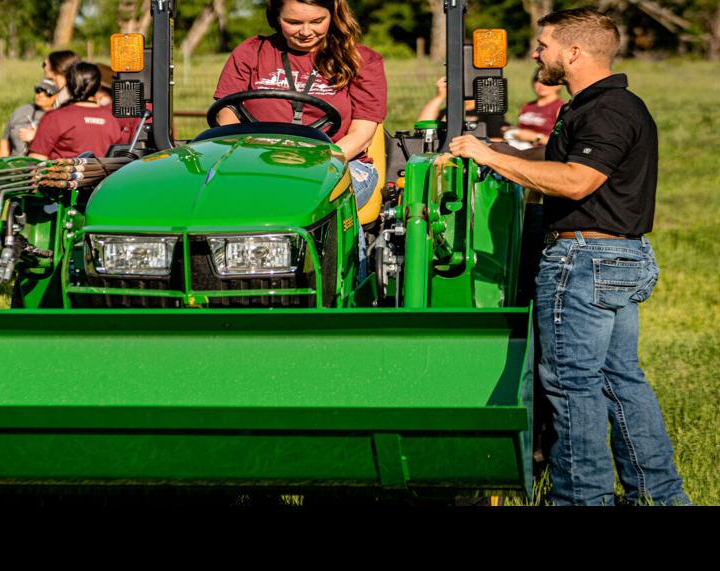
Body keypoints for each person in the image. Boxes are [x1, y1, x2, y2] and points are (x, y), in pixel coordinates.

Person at [445, 8, 689, 505]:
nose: (536, 53)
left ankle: (581, 498)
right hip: (615, 258)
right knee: (620, 381)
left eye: (543, 44)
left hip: (584, 261)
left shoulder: (608, 110)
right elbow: (558, 164)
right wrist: (495, 149)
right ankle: (658, 496)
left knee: (570, 385)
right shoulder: (595, 106)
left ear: (573, 52)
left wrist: (489, 158)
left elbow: (578, 180)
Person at [212, 0, 387, 205]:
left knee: (314, 203)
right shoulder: (252, 52)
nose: (305, 32)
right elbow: (227, 113)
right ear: (276, 17)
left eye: (317, 21)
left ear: (333, 15)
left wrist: (316, 163)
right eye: (293, 22)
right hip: (260, 162)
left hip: (339, 162)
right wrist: (247, 159)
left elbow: (362, 134)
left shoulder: (361, 60)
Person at [28, 62, 126, 160]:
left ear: (69, 84)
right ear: (97, 86)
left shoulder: (55, 118)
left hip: (64, 175)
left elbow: (36, 160)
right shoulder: (112, 119)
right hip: (105, 175)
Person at [503, 69, 563, 149]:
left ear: (559, 85)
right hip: (519, 147)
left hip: (542, 153)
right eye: (537, 80)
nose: (541, 85)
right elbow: (521, 129)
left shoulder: (560, 107)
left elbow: (563, 143)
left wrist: (536, 137)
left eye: (547, 82)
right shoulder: (527, 106)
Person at [0, 79, 57, 158]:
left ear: (57, 95)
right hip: (14, 165)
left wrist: (36, 136)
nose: (41, 95)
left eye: (48, 92)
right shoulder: (20, 111)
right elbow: (4, 144)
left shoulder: (60, 116)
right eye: (38, 90)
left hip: (42, 166)